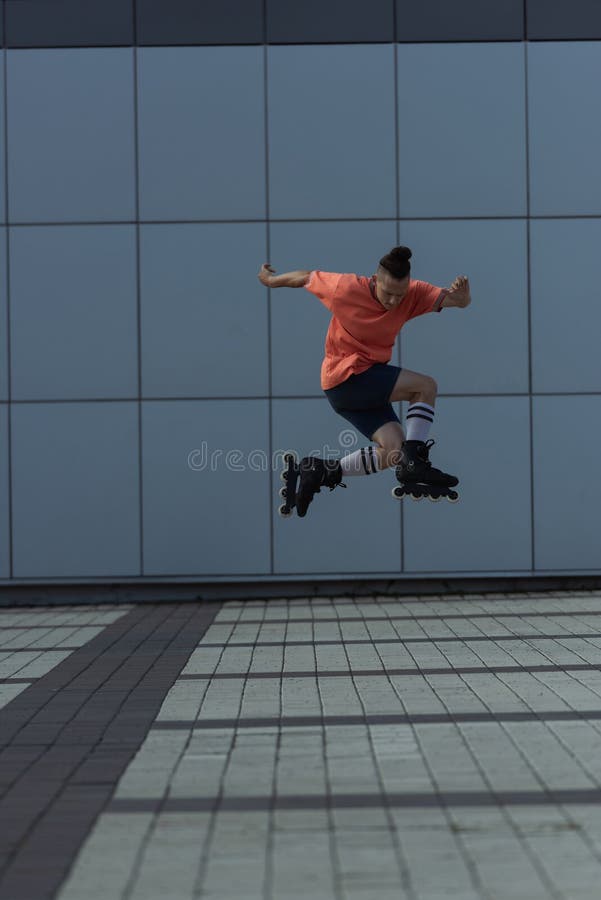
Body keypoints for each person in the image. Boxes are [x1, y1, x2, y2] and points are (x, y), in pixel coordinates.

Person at [258, 246, 471, 516]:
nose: (394, 301)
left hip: (359, 387)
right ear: (374, 279)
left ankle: (321, 471)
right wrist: (270, 280)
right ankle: (415, 461)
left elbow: (455, 301)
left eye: (400, 295)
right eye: (388, 293)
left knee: (393, 450)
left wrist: (463, 298)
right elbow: (305, 277)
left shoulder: (414, 294)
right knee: (425, 387)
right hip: (347, 376)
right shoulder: (346, 288)